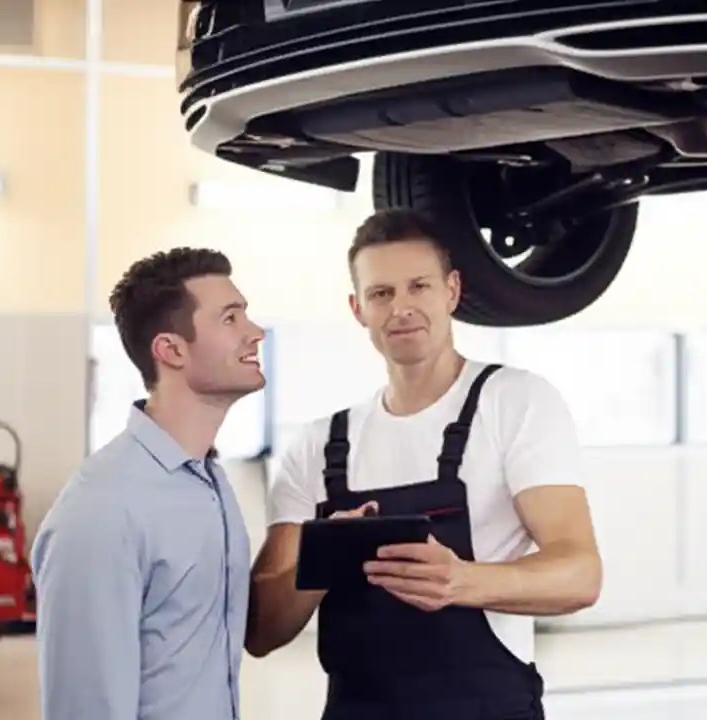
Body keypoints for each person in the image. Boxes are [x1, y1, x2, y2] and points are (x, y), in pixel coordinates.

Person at [246, 208, 603, 719]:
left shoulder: (515, 402)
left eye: (419, 286)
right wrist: (322, 556)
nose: (402, 308)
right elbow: (261, 631)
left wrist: (461, 582)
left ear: (452, 291)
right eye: (381, 293)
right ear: (357, 309)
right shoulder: (318, 445)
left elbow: (580, 573)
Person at [32, 248, 265, 720]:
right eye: (230, 318)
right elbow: (85, 707)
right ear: (171, 350)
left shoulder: (207, 480)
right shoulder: (102, 510)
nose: (254, 331)